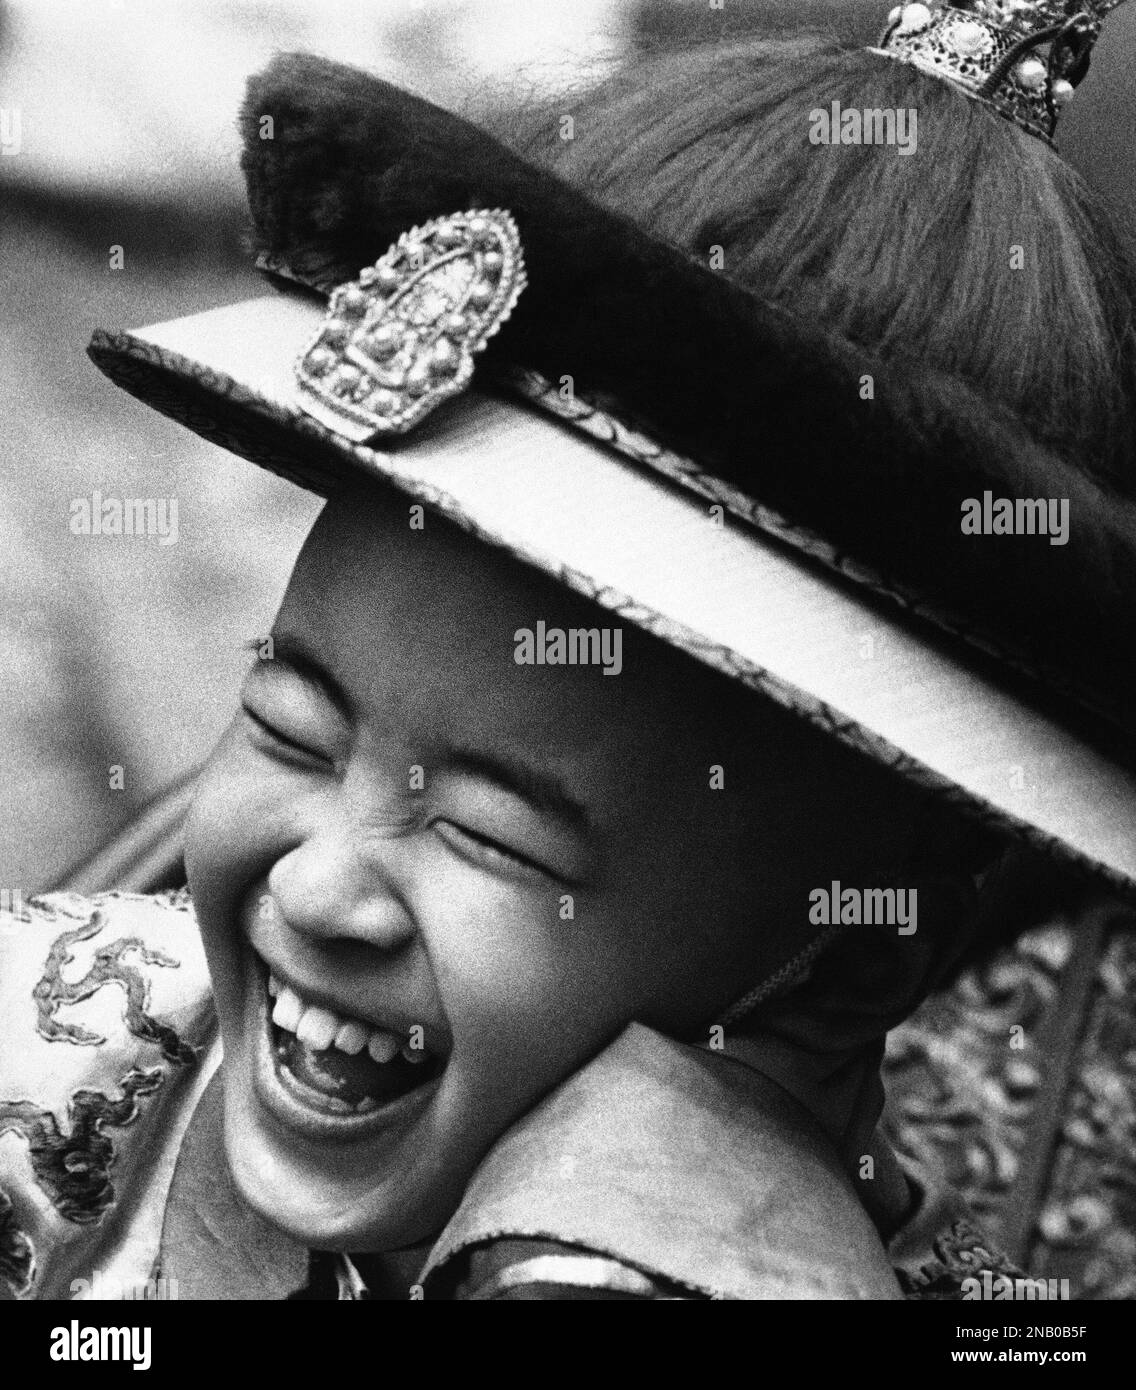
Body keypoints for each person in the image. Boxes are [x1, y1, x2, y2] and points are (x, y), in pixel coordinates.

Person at [3, 0, 1135, 1299]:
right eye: (288, 728)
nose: (316, 892)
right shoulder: (69, 1062)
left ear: (848, 959)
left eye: (488, 834)